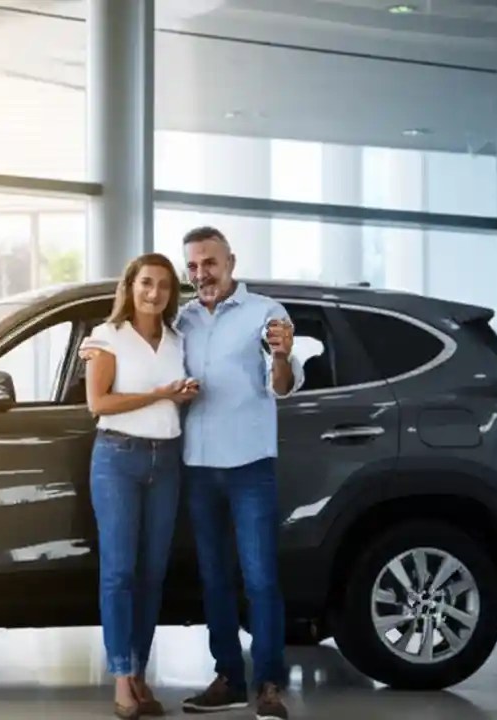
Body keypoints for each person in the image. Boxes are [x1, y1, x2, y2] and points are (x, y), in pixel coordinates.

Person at [175, 227, 304, 720]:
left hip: (250, 465)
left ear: (230, 260)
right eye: (192, 266)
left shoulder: (266, 313)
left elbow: (284, 387)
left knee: (261, 579)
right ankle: (228, 676)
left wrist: (280, 356)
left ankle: (269, 683)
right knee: (214, 579)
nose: (201, 274)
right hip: (198, 466)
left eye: (209, 263)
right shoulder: (182, 319)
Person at [79, 252, 199, 719]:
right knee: (119, 572)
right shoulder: (106, 338)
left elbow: (176, 399)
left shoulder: (176, 339)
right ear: (130, 286)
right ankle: (121, 680)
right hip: (118, 459)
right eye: (146, 283)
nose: (154, 293)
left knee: (152, 574)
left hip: (166, 460)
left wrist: (184, 394)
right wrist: (160, 393)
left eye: (164, 286)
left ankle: (141, 673)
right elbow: (98, 403)